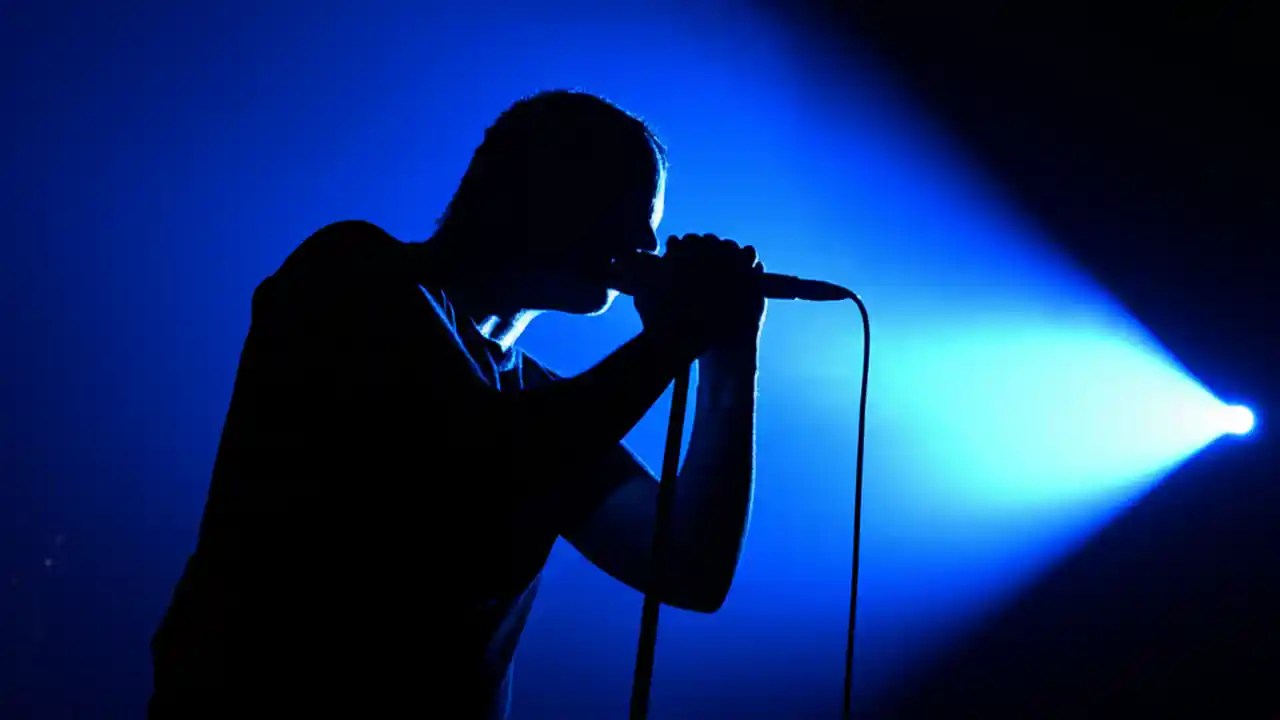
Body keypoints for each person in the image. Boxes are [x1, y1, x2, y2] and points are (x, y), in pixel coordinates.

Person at [148, 89, 765, 718]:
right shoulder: (352, 271)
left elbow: (688, 567)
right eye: (625, 205)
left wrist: (727, 352)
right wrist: (676, 336)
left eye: (651, 219)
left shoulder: (549, 403)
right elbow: (488, 459)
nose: (645, 238)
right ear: (534, 186)